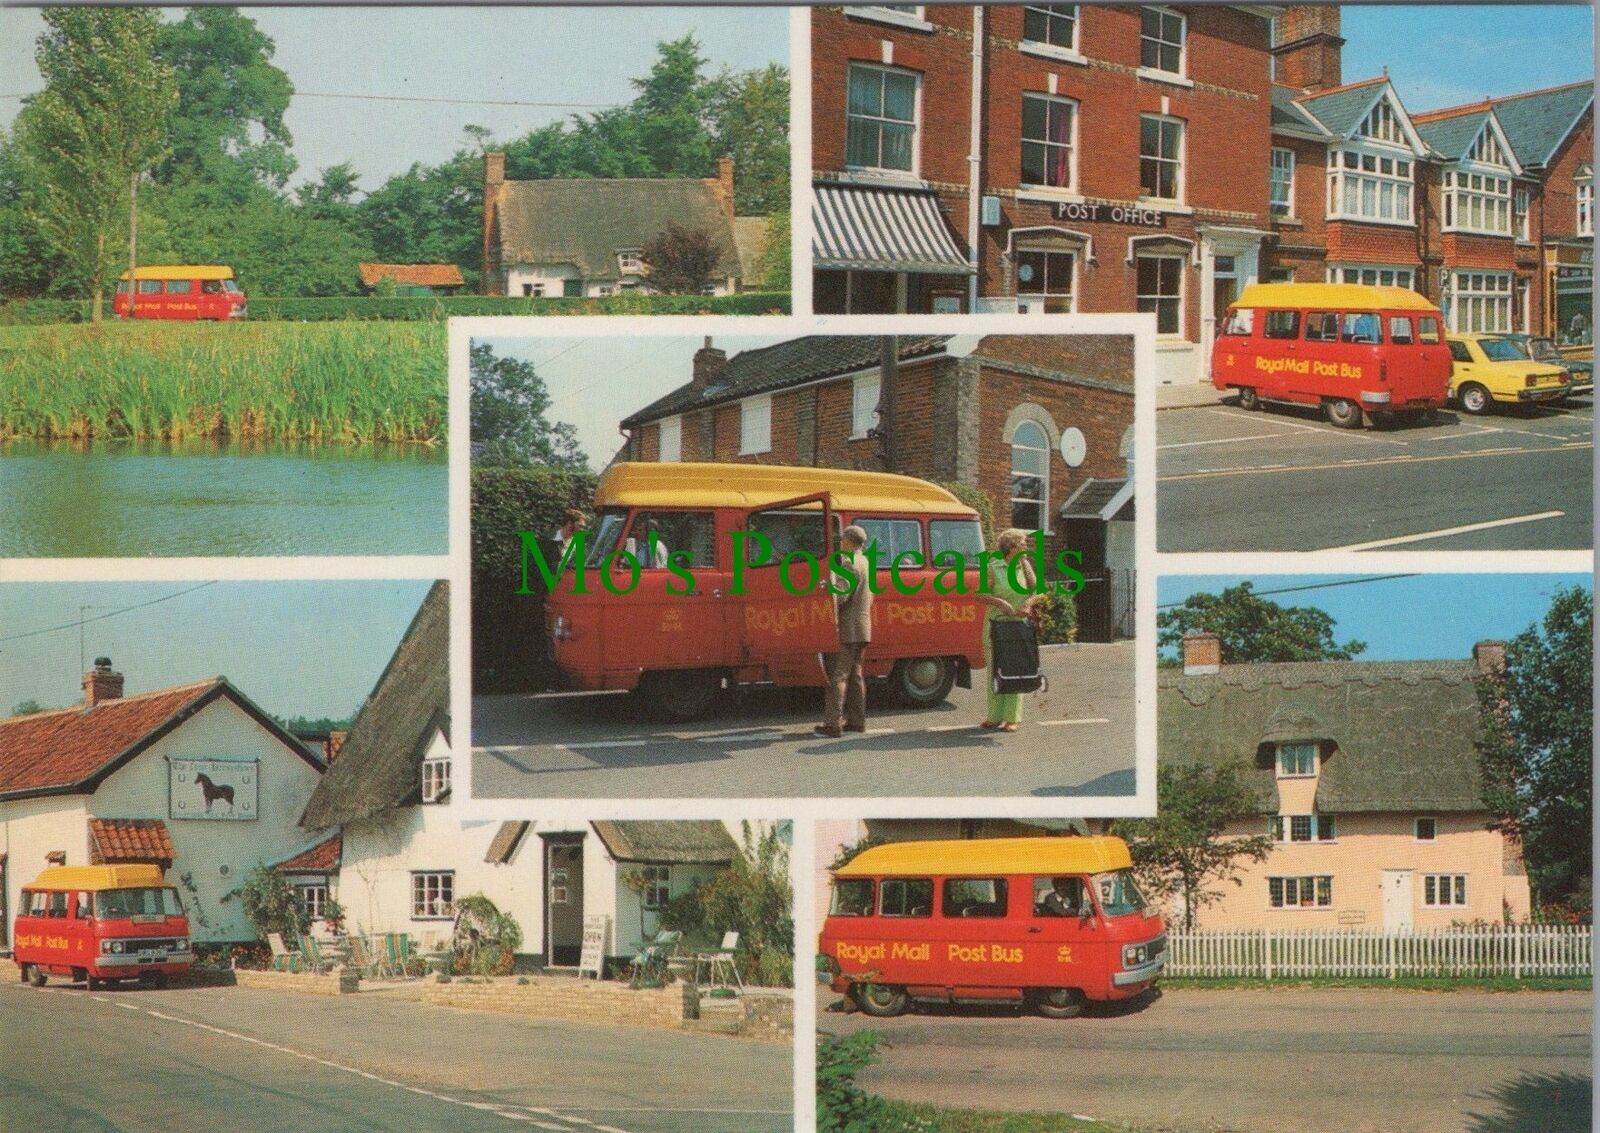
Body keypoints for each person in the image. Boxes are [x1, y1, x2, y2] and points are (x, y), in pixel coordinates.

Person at [976, 527, 1044, 733]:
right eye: (1023, 543)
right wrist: (999, 602)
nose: (1027, 547)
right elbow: (979, 595)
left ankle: (1012, 718)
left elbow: (1039, 590)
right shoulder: (992, 566)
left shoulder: (1024, 565)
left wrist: (1028, 604)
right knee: (994, 672)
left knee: (1016, 670)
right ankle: (994, 716)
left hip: (1018, 626)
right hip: (995, 626)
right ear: (1011, 547)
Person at [815, 525, 873, 739]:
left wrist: (829, 584)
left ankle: (833, 723)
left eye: (842, 540)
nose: (840, 543)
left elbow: (841, 596)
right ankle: (857, 722)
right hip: (863, 626)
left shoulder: (849, 564)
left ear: (848, 541)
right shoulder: (866, 562)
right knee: (856, 675)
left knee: (837, 676)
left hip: (848, 627)